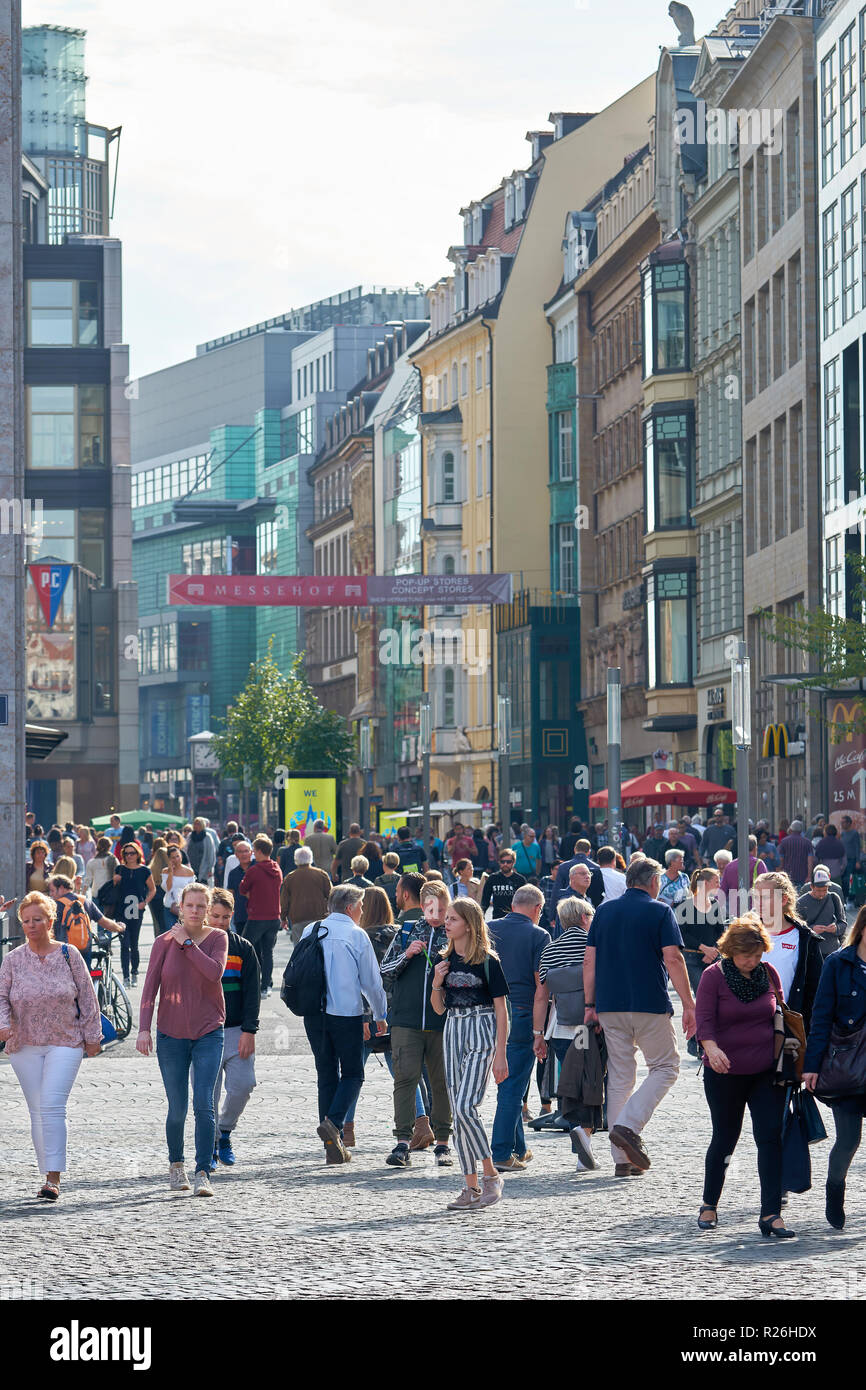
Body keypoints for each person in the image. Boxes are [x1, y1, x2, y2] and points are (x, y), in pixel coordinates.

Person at [583, 856, 696, 1175]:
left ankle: (623, 1159)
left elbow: (588, 962)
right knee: (666, 1067)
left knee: (620, 1076)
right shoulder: (660, 910)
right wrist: (689, 1004)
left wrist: (590, 1004)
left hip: (609, 1004)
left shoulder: (604, 911)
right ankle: (629, 1127)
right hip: (648, 1002)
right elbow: (673, 959)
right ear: (653, 881)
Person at [694, 916, 793, 1238]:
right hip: (725, 1072)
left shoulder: (768, 973)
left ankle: (771, 1213)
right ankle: (709, 1203)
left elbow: (782, 1013)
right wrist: (711, 1048)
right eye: (746, 955)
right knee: (725, 1136)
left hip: (766, 1072)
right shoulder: (714, 977)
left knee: (770, 1138)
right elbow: (704, 1020)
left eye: (757, 954)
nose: (752, 961)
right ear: (731, 951)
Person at [0, 890, 102, 1201]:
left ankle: (54, 1178)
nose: (32, 925)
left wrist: (93, 1036)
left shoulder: (69, 954)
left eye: (38, 920)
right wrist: (3, 1024)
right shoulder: (13, 960)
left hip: (66, 1040)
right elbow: (1, 997)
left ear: (50, 921)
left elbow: (87, 997)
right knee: (36, 1111)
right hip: (24, 1042)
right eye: (27, 921)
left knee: (51, 1106)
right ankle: (46, 1172)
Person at [136, 881, 228, 1197]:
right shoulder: (163, 942)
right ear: (179, 905)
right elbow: (149, 989)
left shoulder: (218, 938)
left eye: (201, 906)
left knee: (204, 1102)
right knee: (177, 1108)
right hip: (171, 1035)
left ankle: (203, 1171)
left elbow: (214, 973)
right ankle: (177, 1165)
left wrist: (188, 944)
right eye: (189, 905)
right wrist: (144, 1028)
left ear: (207, 910)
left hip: (208, 1031)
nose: (194, 911)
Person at [299, 885, 388, 1164]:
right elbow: (372, 982)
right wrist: (380, 1013)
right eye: (360, 906)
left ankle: (331, 1145)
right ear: (350, 908)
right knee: (353, 1074)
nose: (362, 911)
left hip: (314, 1013)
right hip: (345, 1014)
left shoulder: (311, 930)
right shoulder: (355, 934)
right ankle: (334, 1124)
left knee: (326, 1073)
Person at [430, 899, 510, 1211]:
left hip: (482, 1026)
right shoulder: (443, 961)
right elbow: (439, 1009)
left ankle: (491, 1175)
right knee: (458, 1113)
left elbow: (502, 1010)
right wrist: (437, 982)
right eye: (446, 918)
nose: (446, 923)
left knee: (465, 1108)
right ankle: (471, 1186)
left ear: (469, 923)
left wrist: (501, 1053)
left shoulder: (488, 960)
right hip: (453, 1029)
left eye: (452, 919)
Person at [341, 886, 428, 1148]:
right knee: (404, 1074)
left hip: (368, 1015)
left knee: (353, 1074)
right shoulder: (401, 935)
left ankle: (347, 1129)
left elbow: (362, 981)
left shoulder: (360, 937)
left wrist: (364, 1016)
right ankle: (422, 1123)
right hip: (398, 1013)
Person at [380, 880, 454, 1166]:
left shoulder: (454, 934)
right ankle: (402, 1142)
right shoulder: (406, 932)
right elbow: (384, 971)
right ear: (422, 907)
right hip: (406, 1020)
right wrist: (406, 955)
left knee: (441, 1082)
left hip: (442, 1021)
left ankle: (443, 1143)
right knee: (405, 1079)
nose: (437, 914)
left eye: (442, 908)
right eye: (431, 908)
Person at [803, 903, 866, 1229]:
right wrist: (811, 1065)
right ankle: (835, 1189)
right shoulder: (838, 963)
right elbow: (820, 1018)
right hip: (846, 1066)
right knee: (848, 1140)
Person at [535, 895, 605, 1170]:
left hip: (562, 1029)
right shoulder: (595, 945)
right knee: (592, 1084)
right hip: (592, 1026)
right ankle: (583, 1143)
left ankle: (581, 1140)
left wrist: (537, 1034)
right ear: (586, 918)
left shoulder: (550, 950)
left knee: (572, 1085)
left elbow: (541, 997)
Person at [488, 884, 550, 1172]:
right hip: (522, 1011)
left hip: (488, 1011)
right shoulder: (539, 935)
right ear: (537, 909)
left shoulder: (489, 928)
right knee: (513, 1086)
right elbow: (541, 987)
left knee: (510, 1082)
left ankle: (519, 1148)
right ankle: (500, 1152)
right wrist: (540, 1031)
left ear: (513, 905)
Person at [205, 887, 260, 1169]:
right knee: (208, 1093)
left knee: (243, 1085)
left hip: (238, 1028)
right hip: (204, 1031)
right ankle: (211, 1144)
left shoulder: (242, 948)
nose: (220, 922)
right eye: (215, 916)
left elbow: (253, 993)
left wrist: (250, 1030)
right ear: (205, 914)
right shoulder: (194, 945)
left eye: (225, 917)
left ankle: (225, 1130)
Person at [752, 871, 822, 1032]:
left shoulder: (805, 939)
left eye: (766, 897)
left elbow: (816, 991)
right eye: (756, 897)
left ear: (783, 899)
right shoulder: (744, 933)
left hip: (789, 1027)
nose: (759, 903)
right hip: (749, 1026)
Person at [674, 868, 724, 1056]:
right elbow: (681, 935)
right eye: (716, 880)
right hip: (692, 959)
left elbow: (721, 931)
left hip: (712, 958)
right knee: (701, 999)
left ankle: (708, 1040)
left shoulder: (715, 905)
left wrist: (714, 950)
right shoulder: (685, 906)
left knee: (714, 1000)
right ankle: (694, 1043)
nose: (719, 884)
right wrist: (704, 948)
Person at [238, 835, 282, 998]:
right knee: (267, 952)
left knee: (243, 948)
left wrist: (252, 894)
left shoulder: (254, 870)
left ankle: (244, 981)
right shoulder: (276, 868)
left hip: (257, 916)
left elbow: (242, 888)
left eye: (254, 850)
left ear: (259, 851)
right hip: (273, 916)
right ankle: (266, 986)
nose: (253, 854)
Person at [113, 843, 155, 988]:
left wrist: (145, 903)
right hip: (121, 910)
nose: (129, 856)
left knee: (134, 943)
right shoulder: (119, 869)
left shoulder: (144, 870)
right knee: (124, 944)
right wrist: (115, 881)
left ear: (138, 854)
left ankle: (134, 972)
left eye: (132, 853)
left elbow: (152, 890)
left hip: (136, 910)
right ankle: (125, 976)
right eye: (126, 854)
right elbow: (114, 889)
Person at [279, 844, 331, 944]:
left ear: (296, 860)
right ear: (311, 858)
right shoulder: (321, 874)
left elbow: (285, 900)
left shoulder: (290, 877)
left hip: (298, 917)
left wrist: (283, 917)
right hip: (319, 916)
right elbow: (330, 895)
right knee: (318, 946)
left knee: (300, 948)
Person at [797, 867, 847, 960]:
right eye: (819, 890)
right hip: (812, 952)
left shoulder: (834, 898)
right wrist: (812, 929)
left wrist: (836, 928)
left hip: (832, 951)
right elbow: (796, 928)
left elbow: (843, 923)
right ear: (811, 886)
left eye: (825, 890)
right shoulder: (801, 902)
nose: (822, 894)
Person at [551, 839, 605, 909]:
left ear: (575, 849)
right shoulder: (596, 868)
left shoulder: (563, 866)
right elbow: (599, 892)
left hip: (565, 907)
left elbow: (556, 892)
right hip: (588, 909)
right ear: (589, 852)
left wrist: (552, 916)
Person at [719, 835, 768, 910]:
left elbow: (722, 892)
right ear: (755, 848)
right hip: (754, 910)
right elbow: (766, 886)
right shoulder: (758, 864)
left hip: (734, 911)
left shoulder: (729, 866)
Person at [481, 847, 528, 919]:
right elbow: (485, 900)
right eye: (502, 862)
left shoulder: (520, 880)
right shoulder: (492, 878)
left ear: (514, 862)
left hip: (515, 919)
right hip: (497, 919)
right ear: (499, 862)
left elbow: (525, 902)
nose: (505, 864)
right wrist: (481, 915)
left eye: (508, 862)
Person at [161, 845, 196, 931]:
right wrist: (171, 872)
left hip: (185, 907)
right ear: (169, 859)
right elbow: (167, 888)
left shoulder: (189, 871)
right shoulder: (165, 871)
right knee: (171, 932)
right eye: (173, 857)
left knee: (185, 933)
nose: (176, 859)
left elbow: (192, 890)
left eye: (177, 856)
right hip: (169, 906)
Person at [226, 840, 252, 936]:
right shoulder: (233, 873)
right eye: (240, 852)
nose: (243, 854)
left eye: (246, 851)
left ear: (251, 852)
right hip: (240, 914)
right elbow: (230, 894)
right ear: (236, 854)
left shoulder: (257, 868)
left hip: (257, 916)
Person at [778, 820, 813, 890]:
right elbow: (810, 861)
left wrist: (780, 872)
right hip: (803, 875)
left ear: (791, 829)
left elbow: (780, 860)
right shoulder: (807, 842)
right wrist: (809, 876)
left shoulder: (784, 842)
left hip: (787, 875)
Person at [83, 836, 118, 900]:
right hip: (109, 893)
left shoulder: (91, 862)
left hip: (96, 892)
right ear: (109, 847)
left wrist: (83, 894)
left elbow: (88, 879)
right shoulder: (113, 860)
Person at [839, 815, 863, 904]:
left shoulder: (854, 833)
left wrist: (858, 861)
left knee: (848, 879)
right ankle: (845, 898)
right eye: (841, 822)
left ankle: (850, 899)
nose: (842, 824)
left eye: (843, 822)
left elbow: (857, 848)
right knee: (843, 880)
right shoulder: (842, 833)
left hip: (851, 860)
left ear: (849, 823)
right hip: (842, 860)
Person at [186, 818, 216, 885]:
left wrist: (210, 869)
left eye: (198, 824)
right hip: (191, 866)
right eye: (195, 824)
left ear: (202, 825)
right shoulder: (190, 836)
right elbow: (186, 849)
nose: (196, 826)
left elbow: (211, 854)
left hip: (203, 867)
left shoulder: (207, 837)